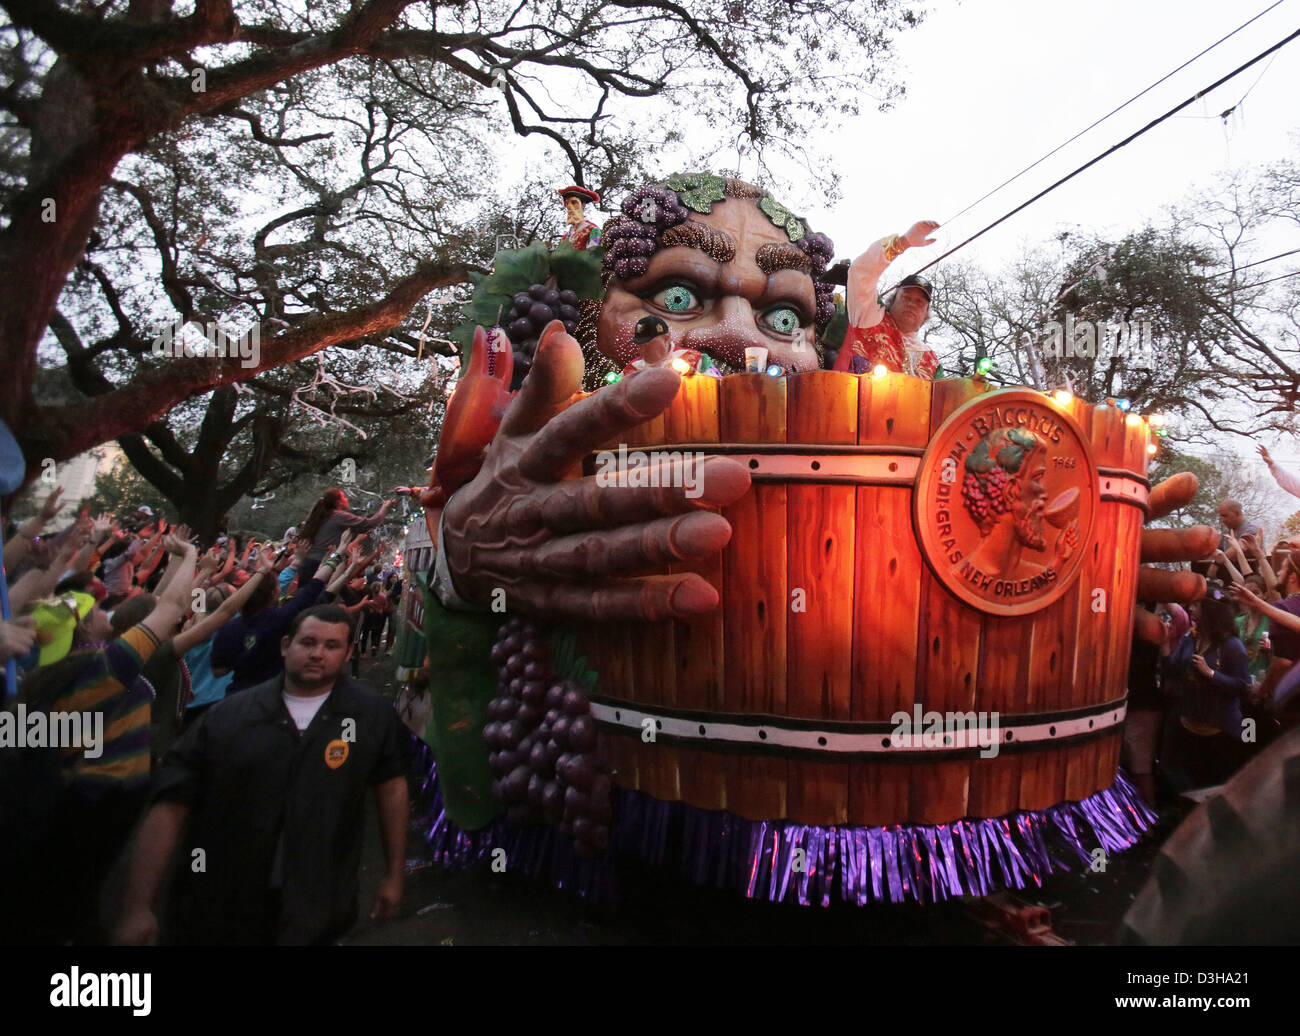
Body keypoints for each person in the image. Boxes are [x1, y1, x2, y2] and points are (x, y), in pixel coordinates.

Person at [115, 605, 410, 946]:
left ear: (347, 653)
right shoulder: (228, 717)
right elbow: (170, 806)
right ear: (286, 645)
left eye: (331, 646)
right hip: (221, 908)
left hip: (317, 908)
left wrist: (394, 874)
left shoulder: (369, 715)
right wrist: (138, 905)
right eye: (308, 642)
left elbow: (391, 788)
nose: (317, 654)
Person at [209, 534, 351, 693]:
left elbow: (218, 671)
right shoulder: (282, 618)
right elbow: (317, 583)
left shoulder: (226, 627)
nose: (280, 588)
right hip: (273, 695)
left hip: (235, 697)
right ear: (271, 595)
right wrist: (339, 552)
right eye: (277, 587)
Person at [1159, 585, 1251, 791]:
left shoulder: (1232, 646)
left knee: (1215, 785)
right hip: (1188, 725)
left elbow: (1242, 687)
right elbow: (1172, 670)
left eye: (1196, 605)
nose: (1191, 609)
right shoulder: (1190, 638)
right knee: (1184, 778)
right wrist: (1165, 646)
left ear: (1210, 611)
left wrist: (1211, 673)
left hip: (1219, 732)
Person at [832, 220, 942, 379]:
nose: (911, 304)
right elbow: (861, 272)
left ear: (926, 313)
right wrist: (903, 242)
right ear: (893, 300)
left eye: (919, 302)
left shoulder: (932, 361)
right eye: (906, 297)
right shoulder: (870, 318)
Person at [296, 489, 394, 583]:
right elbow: (369, 524)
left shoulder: (320, 517)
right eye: (344, 498)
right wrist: (384, 508)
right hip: (323, 566)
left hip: (307, 564)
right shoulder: (338, 516)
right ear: (338, 502)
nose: (347, 499)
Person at [556, 185, 601, 250]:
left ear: (583, 205)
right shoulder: (565, 237)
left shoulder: (593, 230)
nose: (569, 207)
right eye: (567, 203)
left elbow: (593, 257)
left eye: (574, 202)